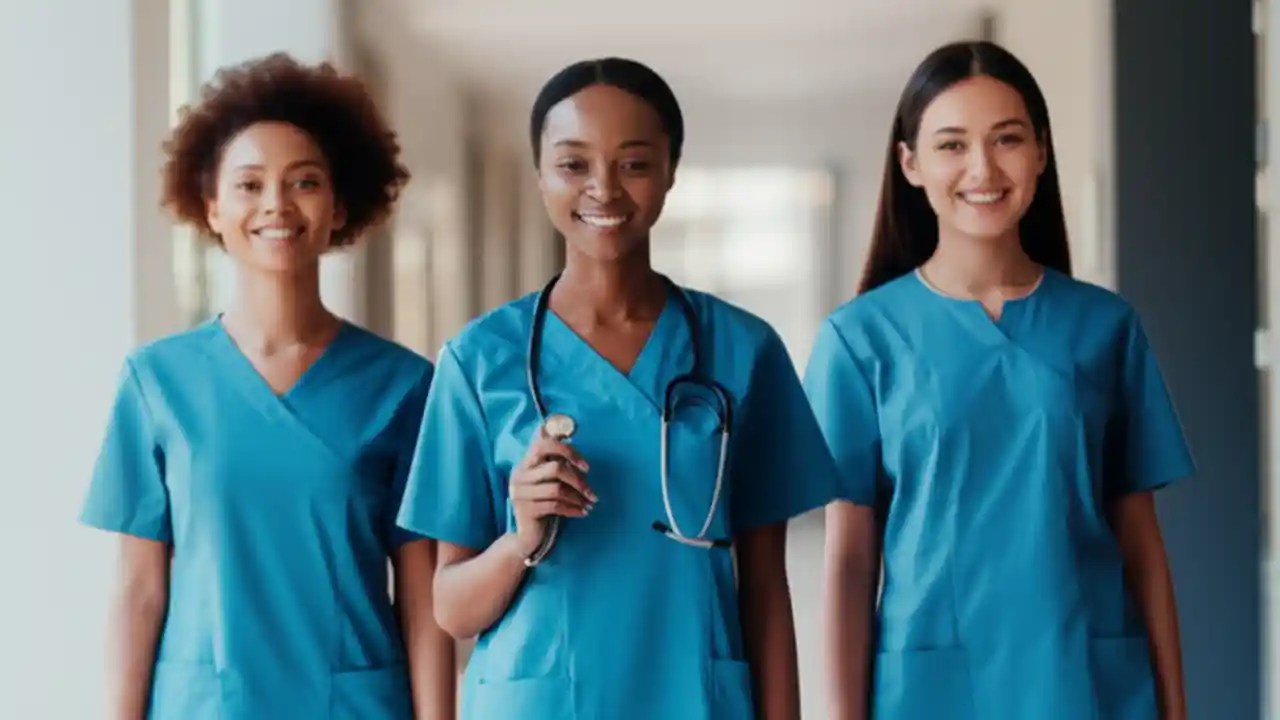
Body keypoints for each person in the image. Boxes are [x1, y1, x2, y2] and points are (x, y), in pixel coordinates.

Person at [396, 57, 839, 719]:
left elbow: (767, 592)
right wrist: (520, 538)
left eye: (633, 163)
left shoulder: (743, 350)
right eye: (573, 164)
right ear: (541, 174)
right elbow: (452, 609)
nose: (603, 188)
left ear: (670, 171)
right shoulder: (480, 360)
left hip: (694, 697)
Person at [805, 40, 1194, 720]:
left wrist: (1175, 707)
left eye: (1007, 139)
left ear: (1040, 151)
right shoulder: (859, 339)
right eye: (952, 145)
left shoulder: (1106, 328)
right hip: (929, 691)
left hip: (1088, 685)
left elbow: (1141, 544)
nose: (982, 168)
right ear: (911, 163)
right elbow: (849, 562)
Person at [79, 53, 455, 719]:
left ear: (338, 207)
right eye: (249, 185)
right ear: (212, 209)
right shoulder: (157, 383)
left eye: (304, 182)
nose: (276, 204)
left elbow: (423, 596)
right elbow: (139, 591)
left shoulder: (403, 387)